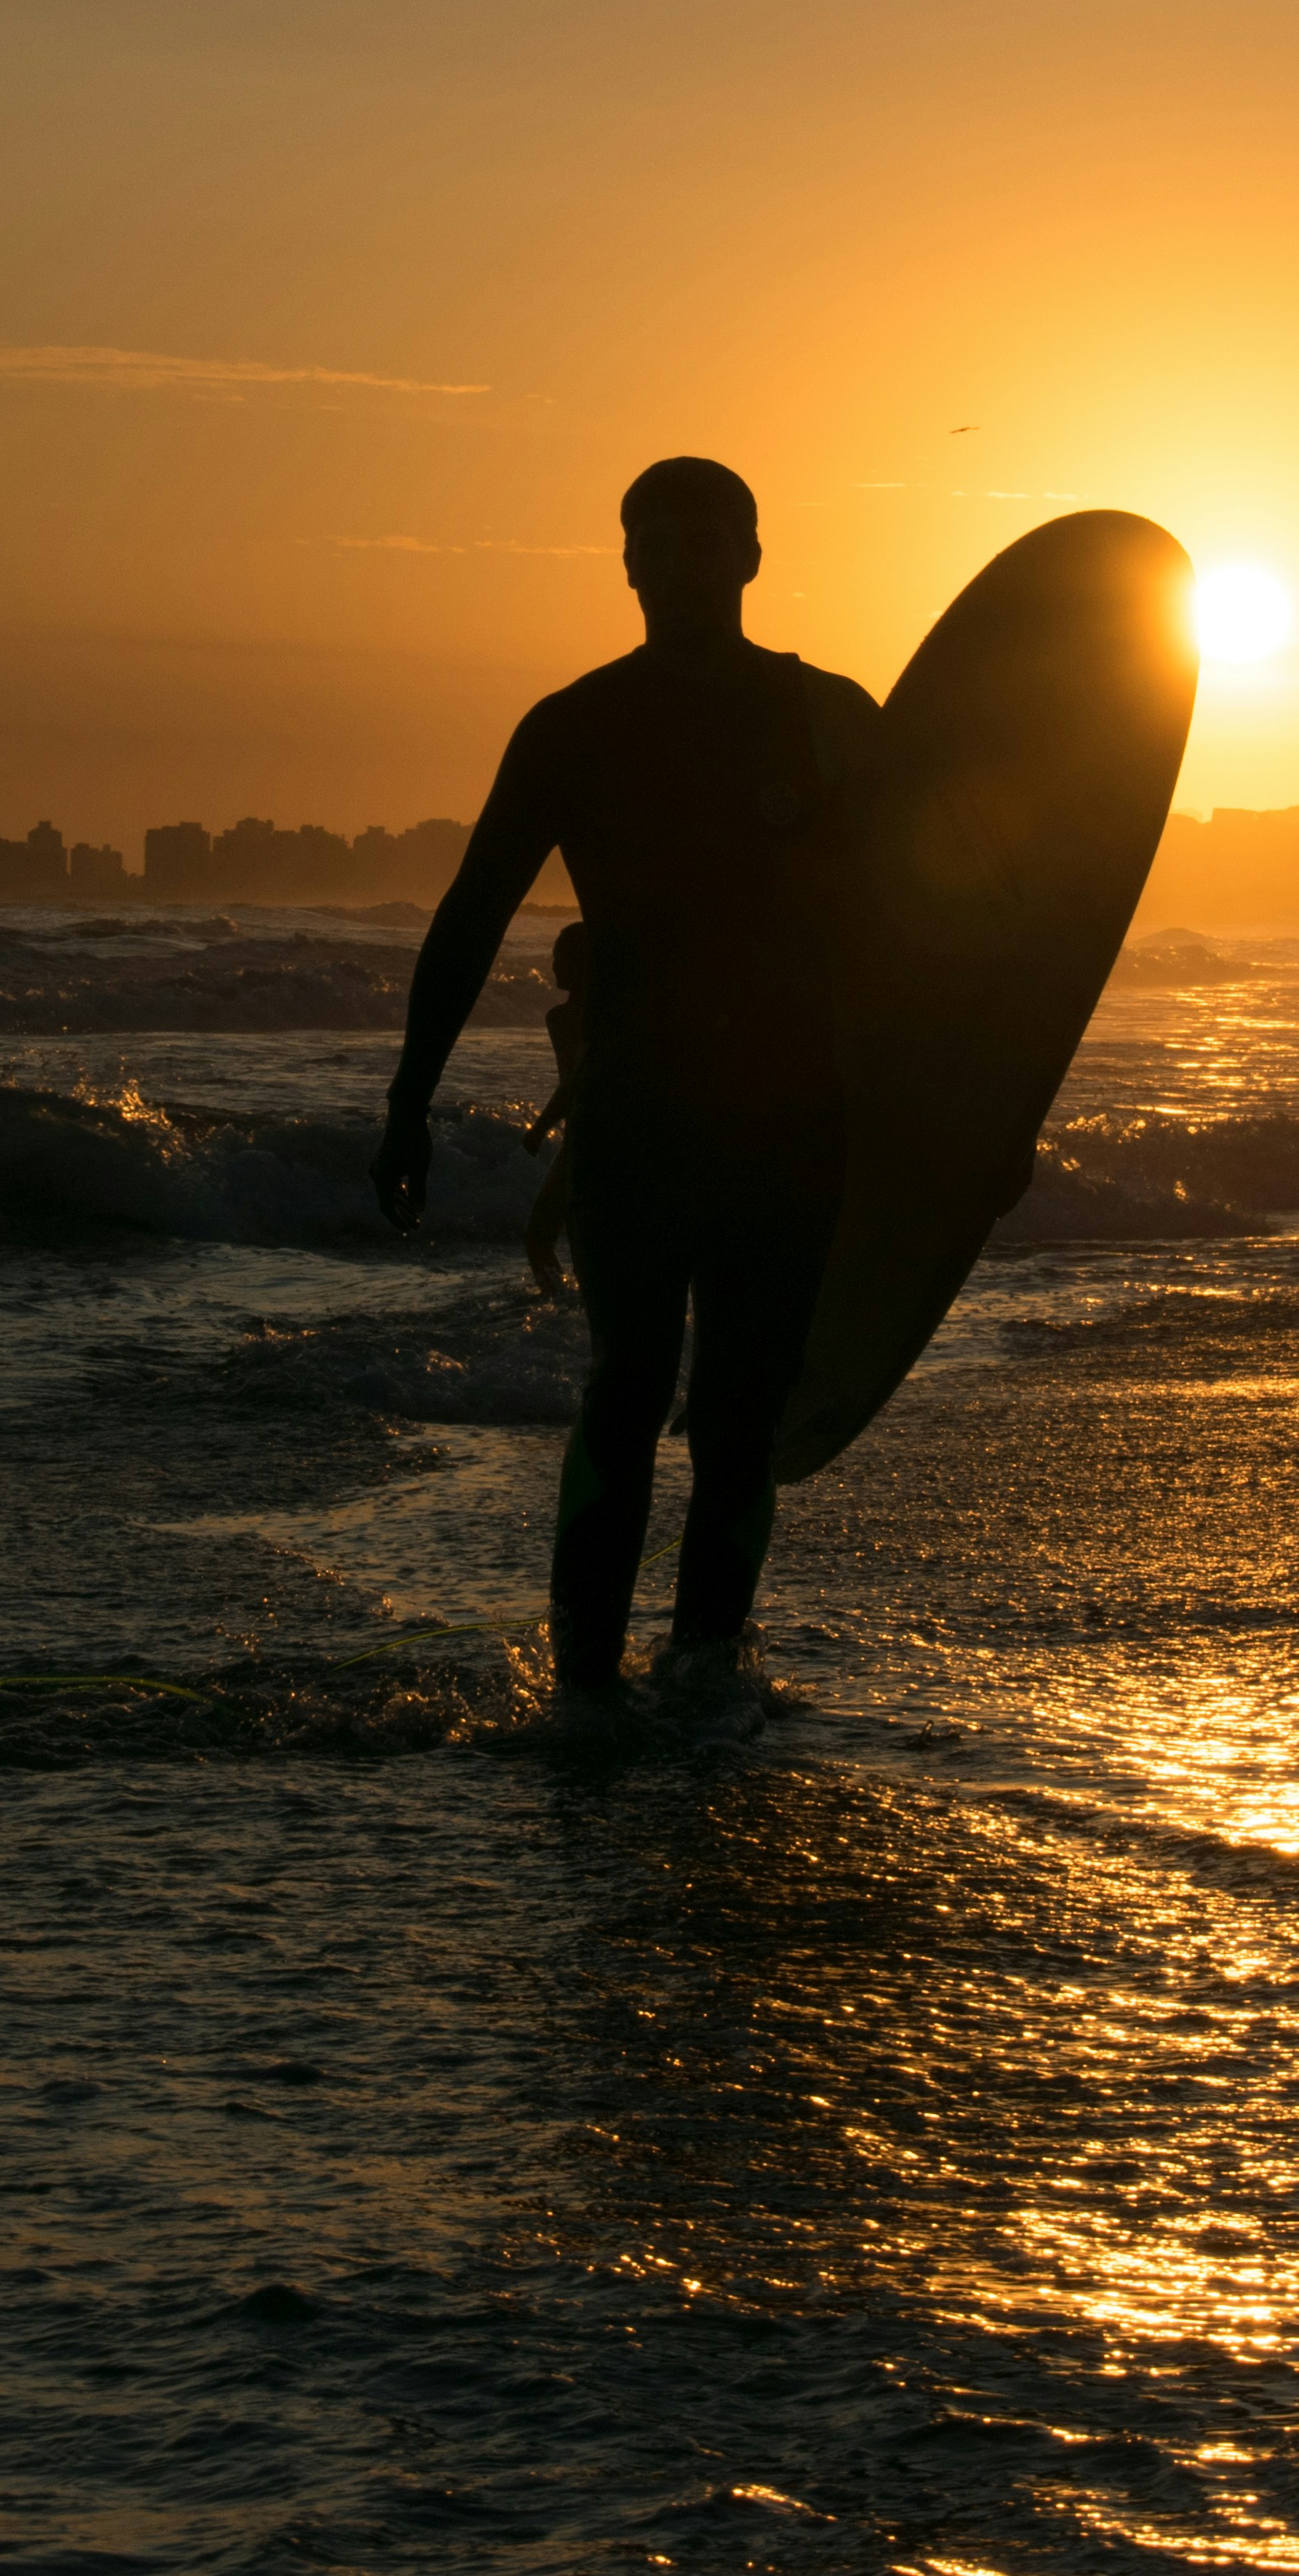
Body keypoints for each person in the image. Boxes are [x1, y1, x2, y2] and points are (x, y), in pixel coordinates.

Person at [370, 457, 878, 1743]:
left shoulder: (830, 720)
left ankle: (705, 1680)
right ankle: (587, 1691)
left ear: (750, 557)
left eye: (705, 538)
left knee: (741, 1411)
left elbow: (930, 939)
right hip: (639, 1111)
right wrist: (407, 1100)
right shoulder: (574, 727)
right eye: (654, 541)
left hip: (786, 1110)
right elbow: (471, 912)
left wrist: (970, 1130)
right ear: (627, 564)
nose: (680, 561)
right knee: (626, 1384)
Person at [523, 918, 591, 1302]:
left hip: (585, 1137)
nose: (553, 966)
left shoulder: (563, 1018)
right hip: (622, 1135)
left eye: (561, 957)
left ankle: (563, 1307)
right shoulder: (623, 1017)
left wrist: (539, 1127)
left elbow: (573, 1084)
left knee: (539, 1237)